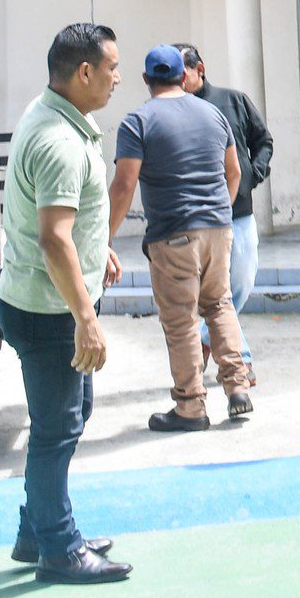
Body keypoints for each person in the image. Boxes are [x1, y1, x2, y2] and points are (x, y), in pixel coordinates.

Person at [0, 23, 131, 585]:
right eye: (112, 68)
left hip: (44, 298)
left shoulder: (55, 115)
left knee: (66, 421)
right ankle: (58, 549)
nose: (117, 77)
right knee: (56, 429)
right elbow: (53, 236)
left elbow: (66, 229)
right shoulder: (57, 140)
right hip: (49, 311)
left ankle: (39, 529)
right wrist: (86, 318)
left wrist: (96, 253)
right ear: (83, 73)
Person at [106, 46, 250, 432]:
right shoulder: (213, 114)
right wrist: (220, 211)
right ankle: (237, 387)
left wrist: (103, 236)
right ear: (183, 77)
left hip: (173, 234)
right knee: (220, 305)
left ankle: (190, 407)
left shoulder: (138, 120)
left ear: (146, 79)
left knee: (182, 320)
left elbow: (124, 185)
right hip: (219, 228)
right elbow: (233, 172)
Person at [176, 43, 273, 381]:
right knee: (216, 293)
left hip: (239, 212)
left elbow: (263, 141)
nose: (176, 80)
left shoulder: (233, 101)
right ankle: (240, 362)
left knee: (242, 282)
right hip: (198, 218)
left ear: (198, 69)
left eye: (181, 72)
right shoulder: (172, 110)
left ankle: (205, 340)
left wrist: (253, 174)